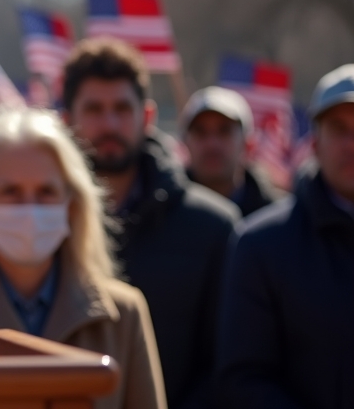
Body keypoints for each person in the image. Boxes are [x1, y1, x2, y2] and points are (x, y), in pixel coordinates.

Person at [0, 108, 164, 409]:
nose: (30, 209)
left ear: (71, 205)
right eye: (11, 191)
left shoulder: (123, 313)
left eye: (46, 191)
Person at [60, 38, 238, 409]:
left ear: (148, 116)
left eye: (122, 108)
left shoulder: (213, 228)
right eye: (94, 109)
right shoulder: (39, 223)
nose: (109, 123)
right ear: (66, 119)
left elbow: (227, 364)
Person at [215, 65, 354, 409]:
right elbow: (242, 378)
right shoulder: (260, 245)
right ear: (314, 140)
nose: (352, 144)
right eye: (339, 128)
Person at [180, 87, 284, 218]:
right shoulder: (163, 215)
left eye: (224, 131)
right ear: (185, 144)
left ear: (248, 145)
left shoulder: (278, 218)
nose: (212, 143)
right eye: (200, 132)